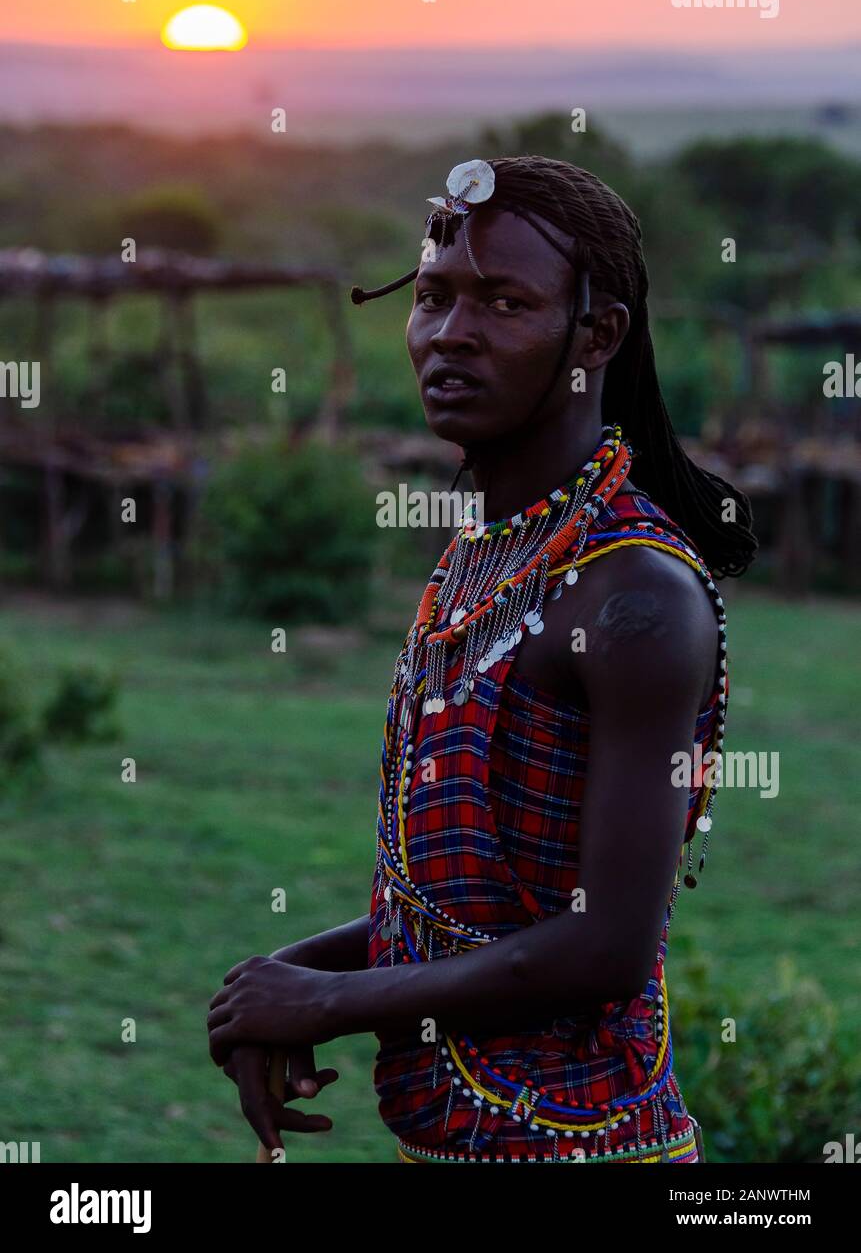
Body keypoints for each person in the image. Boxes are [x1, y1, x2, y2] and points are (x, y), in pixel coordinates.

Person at [207, 155, 756, 1164]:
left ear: (597, 336)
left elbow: (605, 947)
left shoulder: (635, 592)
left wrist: (328, 999)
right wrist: (279, 980)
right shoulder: (478, 559)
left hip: (587, 1145)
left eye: (503, 301)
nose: (450, 334)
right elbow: (464, 913)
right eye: (432, 297)